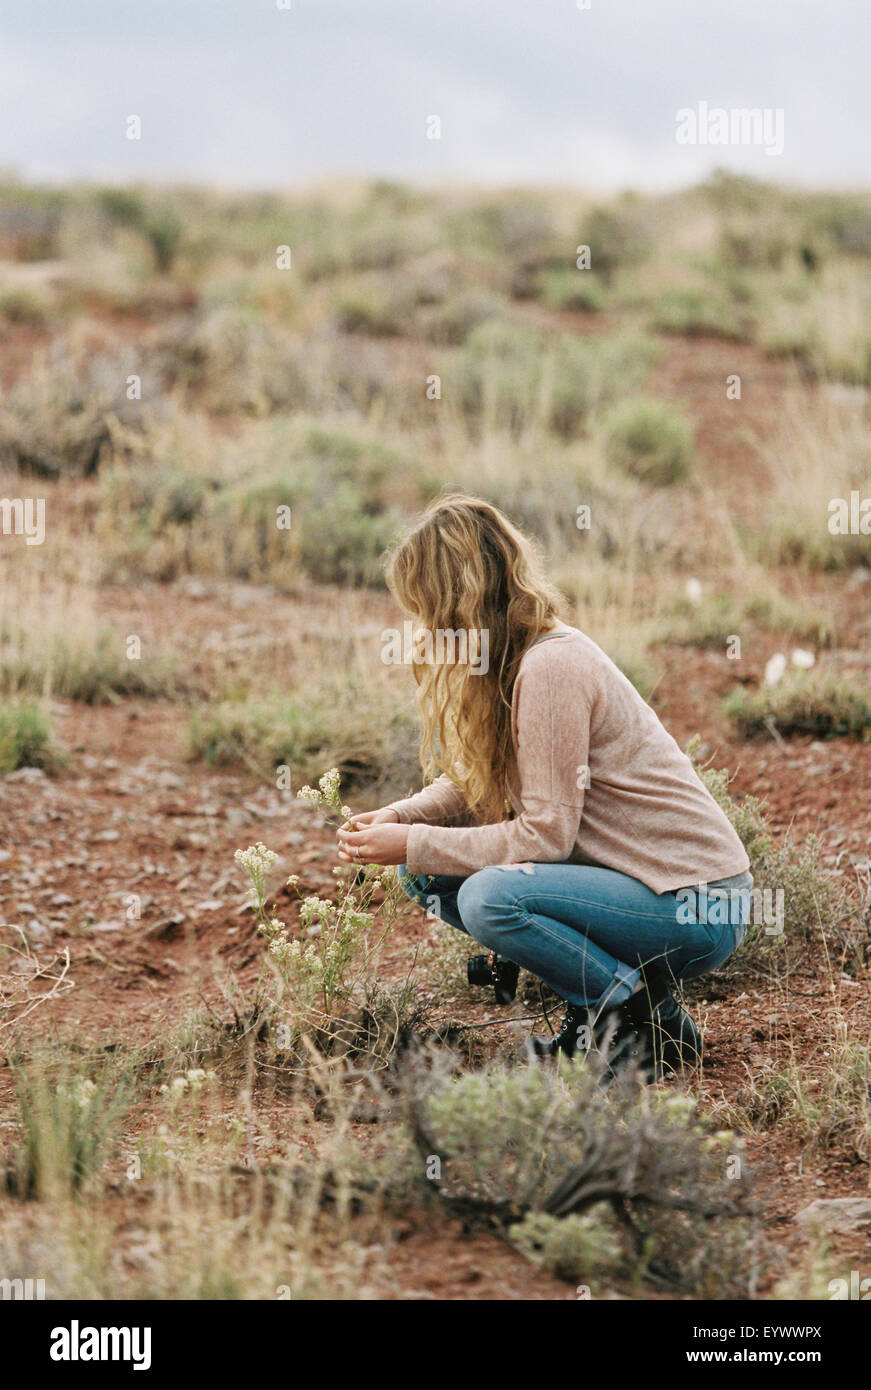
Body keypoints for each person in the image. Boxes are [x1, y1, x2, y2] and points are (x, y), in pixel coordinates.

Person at [336, 495, 752, 1076]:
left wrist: (412, 841)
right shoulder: (513, 660)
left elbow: (547, 836)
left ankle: (637, 1022)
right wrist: (404, 819)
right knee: (427, 872)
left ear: (460, 599)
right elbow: (474, 780)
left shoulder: (550, 666)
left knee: (488, 897)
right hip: (644, 888)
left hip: (700, 903)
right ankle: (609, 1006)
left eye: (427, 610)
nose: (424, 630)